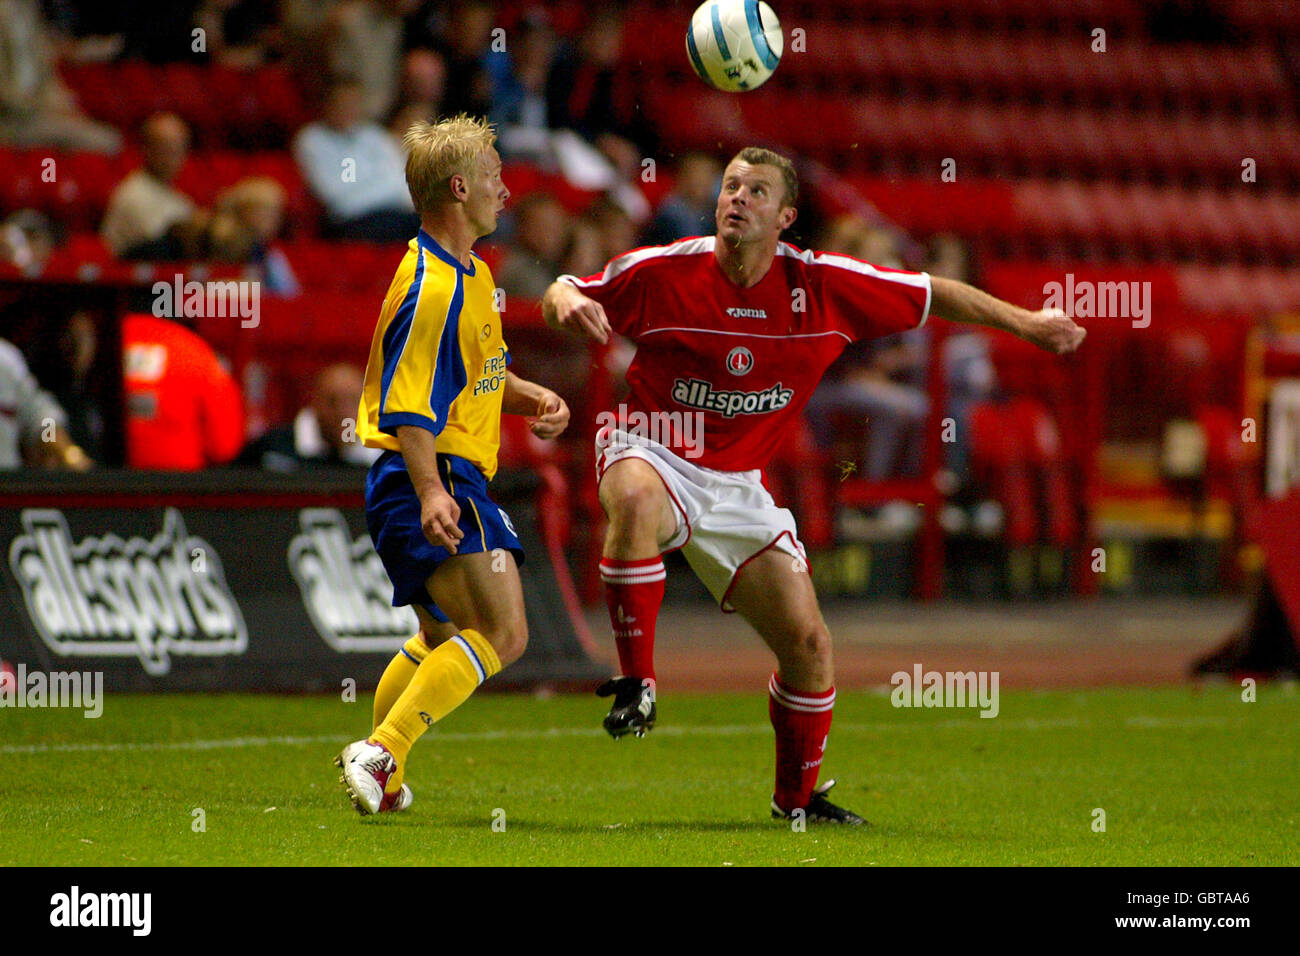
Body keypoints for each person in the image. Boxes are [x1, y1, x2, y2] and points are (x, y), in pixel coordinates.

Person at [542, 147, 1085, 824]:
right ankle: (638, 683)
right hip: (652, 443)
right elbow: (567, 284)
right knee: (632, 499)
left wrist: (1027, 323)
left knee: (809, 646)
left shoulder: (826, 283)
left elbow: (931, 291)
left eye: (757, 191)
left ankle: (796, 803)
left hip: (737, 483)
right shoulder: (665, 269)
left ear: (786, 216)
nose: (737, 197)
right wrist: (564, 296)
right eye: (730, 186)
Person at [336, 115, 571, 815]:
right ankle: (383, 753)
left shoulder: (467, 273)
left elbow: (477, 374)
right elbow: (409, 404)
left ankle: (383, 766)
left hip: (420, 477)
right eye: (494, 175)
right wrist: (433, 490)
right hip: (431, 473)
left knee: (438, 636)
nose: (506, 188)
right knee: (504, 633)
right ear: (461, 186)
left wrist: (529, 398)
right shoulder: (433, 288)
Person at [293, 76, 420, 242]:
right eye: (342, 103)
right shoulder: (312, 140)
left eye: (354, 103)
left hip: (395, 214)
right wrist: (384, 188)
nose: (349, 109)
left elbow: (403, 184)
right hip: (350, 222)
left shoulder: (374, 135)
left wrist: (367, 189)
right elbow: (339, 200)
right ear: (327, 104)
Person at [101, 113, 207, 260]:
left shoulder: (179, 199)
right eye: (166, 149)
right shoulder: (132, 195)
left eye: (180, 149)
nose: (174, 158)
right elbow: (164, 243)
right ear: (146, 149)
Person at [239, 362, 380, 471]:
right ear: (315, 402)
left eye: (353, 401)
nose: (343, 412)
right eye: (332, 401)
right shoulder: (272, 448)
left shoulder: (386, 457)